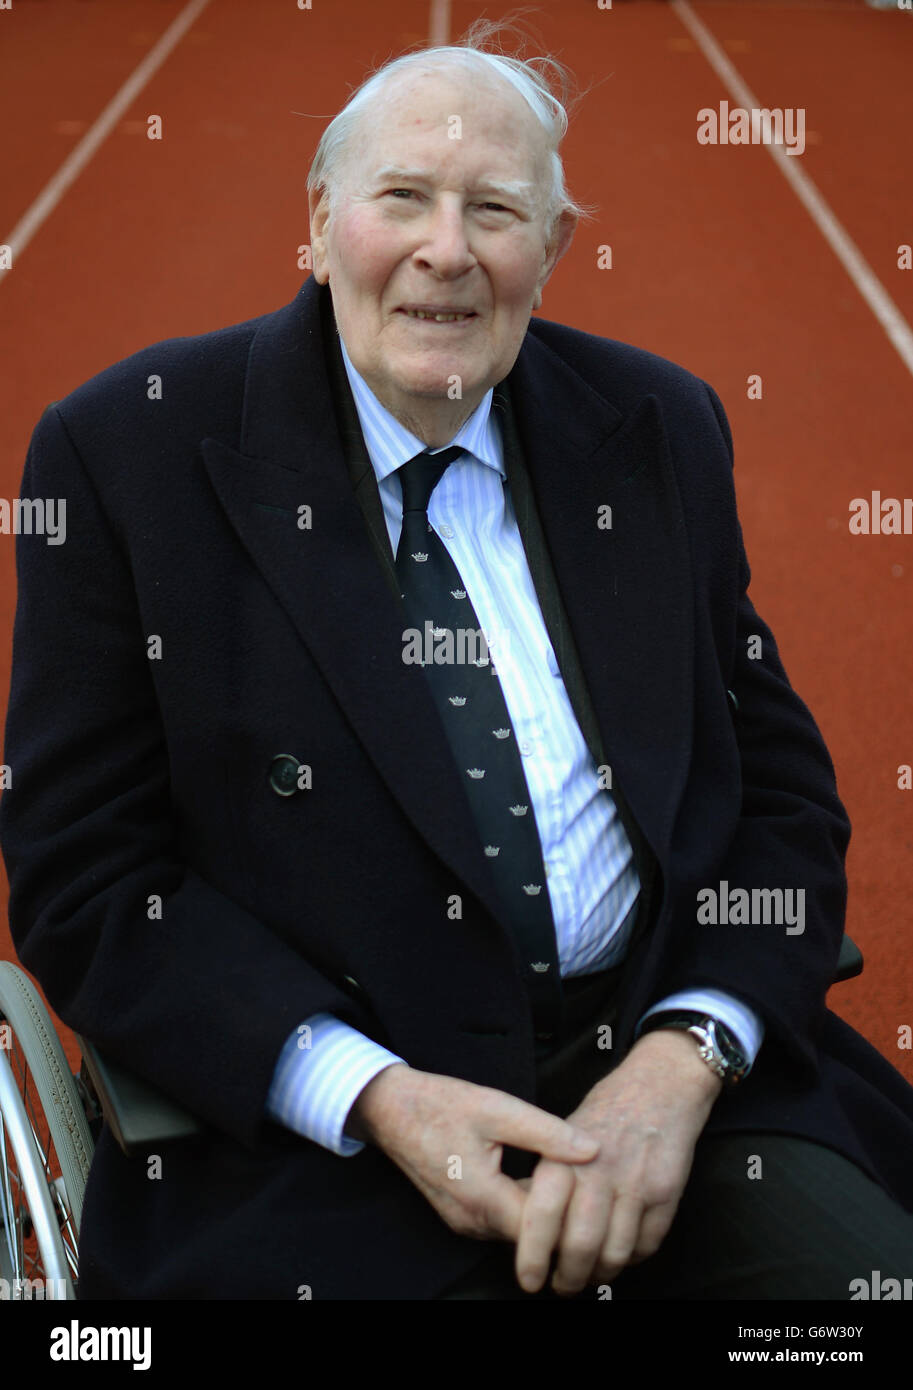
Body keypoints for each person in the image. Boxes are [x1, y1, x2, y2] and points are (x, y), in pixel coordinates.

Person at [2, 30, 913, 1302]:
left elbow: (780, 799)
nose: (447, 250)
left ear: (551, 251)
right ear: (318, 229)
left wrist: (685, 1057)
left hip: (673, 1094)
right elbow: (86, 877)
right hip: (330, 1146)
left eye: (496, 209)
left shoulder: (656, 426)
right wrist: (371, 1093)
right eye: (402, 200)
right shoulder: (125, 456)